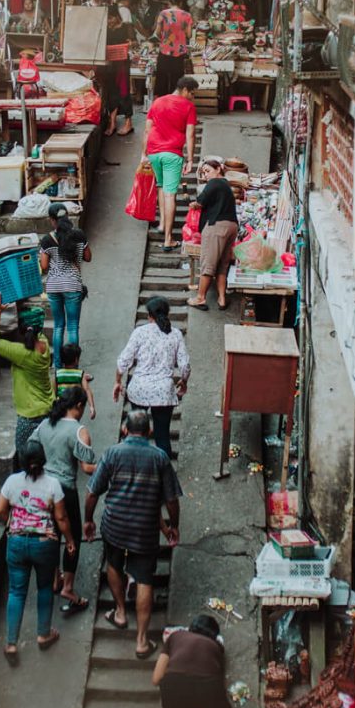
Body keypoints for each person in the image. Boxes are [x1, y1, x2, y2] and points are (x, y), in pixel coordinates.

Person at [84, 410, 183, 660]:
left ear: (125, 430)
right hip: (145, 528)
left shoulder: (112, 453)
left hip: (114, 524)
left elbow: (93, 492)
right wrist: (173, 526)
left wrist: (88, 520)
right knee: (144, 579)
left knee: (114, 565)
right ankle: (141, 640)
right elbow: (171, 500)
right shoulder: (160, 457)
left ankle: (119, 612)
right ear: (149, 431)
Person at [0, 439, 75, 663]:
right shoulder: (52, 484)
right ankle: (43, 634)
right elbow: (61, 517)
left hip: (17, 542)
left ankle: (11, 643)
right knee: (44, 588)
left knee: (16, 591)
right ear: (43, 460)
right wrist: (69, 540)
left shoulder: (12, 482)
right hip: (44, 544)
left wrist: (13, 523)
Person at [31, 387, 96, 614]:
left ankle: (55, 578)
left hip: (43, 489)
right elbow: (87, 468)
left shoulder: (44, 425)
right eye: (83, 407)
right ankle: (68, 586)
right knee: (72, 538)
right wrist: (107, 466)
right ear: (78, 406)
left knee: (52, 534)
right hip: (65, 490)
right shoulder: (79, 431)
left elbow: (30, 450)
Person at [114, 296, 190, 458]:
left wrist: (118, 381)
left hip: (139, 390)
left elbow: (123, 362)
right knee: (162, 436)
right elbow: (184, 365)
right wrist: (183, 381)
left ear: (149, 316)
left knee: (136, 435)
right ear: (167, 314)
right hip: (163, 392)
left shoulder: (140, 332)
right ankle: (163, 474)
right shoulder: (175, 334)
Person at [0, 290, 54, 457]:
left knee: (24, 458)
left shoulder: (22, 354)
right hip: (48, 410)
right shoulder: (44, 344)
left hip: (29, 416)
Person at [141, 75, 199, 251]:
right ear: (185, 90)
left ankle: (161, 224)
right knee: (170, 194)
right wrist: (190, 159)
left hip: (154, 153)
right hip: (172, 154)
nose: (192, 97)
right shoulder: (188, 106)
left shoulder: (157, 102)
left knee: (161, 186)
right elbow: (190, 134)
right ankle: (168, 239)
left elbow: (147, 130)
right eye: (192, 93)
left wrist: (143, 154)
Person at [39, 204, 91, 369]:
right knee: (73, 327)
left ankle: (57, 365)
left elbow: (44, 266)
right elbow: (88, 257)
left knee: (58, 326)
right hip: (73, 285)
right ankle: (73, 366)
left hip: (54, 287)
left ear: (52, 220)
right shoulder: (79, 235)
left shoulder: (47, 239)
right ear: (67, 217)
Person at [152, 614, 234, 708]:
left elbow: (156, 678)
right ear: (214, 635)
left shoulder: (175, 636)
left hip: (173, 684)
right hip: (207, 686)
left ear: (190, 628)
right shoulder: (216, 646)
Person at [187, 160, 239, 312]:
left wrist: (194, 205)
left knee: (208, 263)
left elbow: (200, 201)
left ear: (218, 169)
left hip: (217, 226)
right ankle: (222, 299)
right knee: (222, 265)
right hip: (232, 226)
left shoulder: (214, 183)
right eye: (203, 172)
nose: (205, 174)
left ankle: (200, 297)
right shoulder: (226, 186)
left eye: (207, 170)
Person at [103, 4, 136, 137]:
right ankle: (112, 123)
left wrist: (128, 44)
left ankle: (128, 123)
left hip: (122, 64)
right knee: (111, 93)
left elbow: (134, 42)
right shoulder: (106, 29)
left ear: (117, 16)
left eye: (111, 18)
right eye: (108, 18)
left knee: (123, 91)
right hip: (110, 64)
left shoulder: (125, 27)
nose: (110, 21)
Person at [152, 0, 193, 97]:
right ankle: (175, 100)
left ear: (169, 3)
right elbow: (189, 35)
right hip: (179, 51)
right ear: (180, 3)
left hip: (165, 50)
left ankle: (162, 101)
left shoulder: (163, 13)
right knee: (177, 77)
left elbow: (157, 33)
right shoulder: (187, 15)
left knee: (162, 76)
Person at [55, 342, 96, 418]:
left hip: (60, 406)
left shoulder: (57, 374)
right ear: (76, 360)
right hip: (75, 407)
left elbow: (54, 392)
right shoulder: (80, 374)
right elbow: (87, 390)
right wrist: (92, 407)